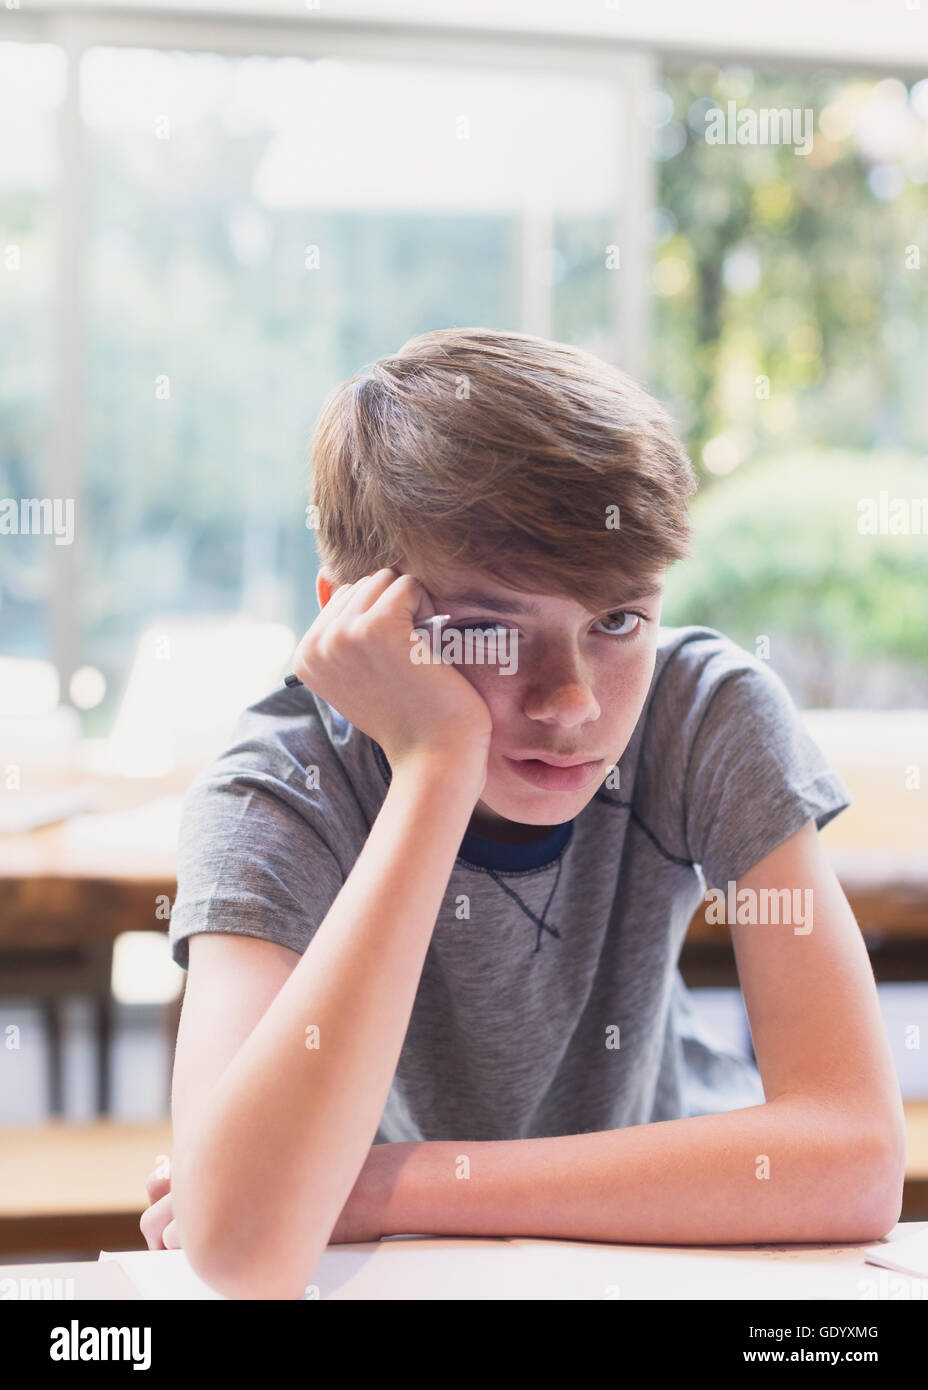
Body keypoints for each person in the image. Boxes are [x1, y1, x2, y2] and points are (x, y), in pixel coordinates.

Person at [141, 328, 905, 1299]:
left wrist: (389, 1185)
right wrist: (434, 760)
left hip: (677, 1264)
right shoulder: (279, 785)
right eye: (490, 633)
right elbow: (245, 1252)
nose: (572, 701)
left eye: (617, 621)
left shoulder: (702, 712)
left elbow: (853, 1158)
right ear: (350, 623)